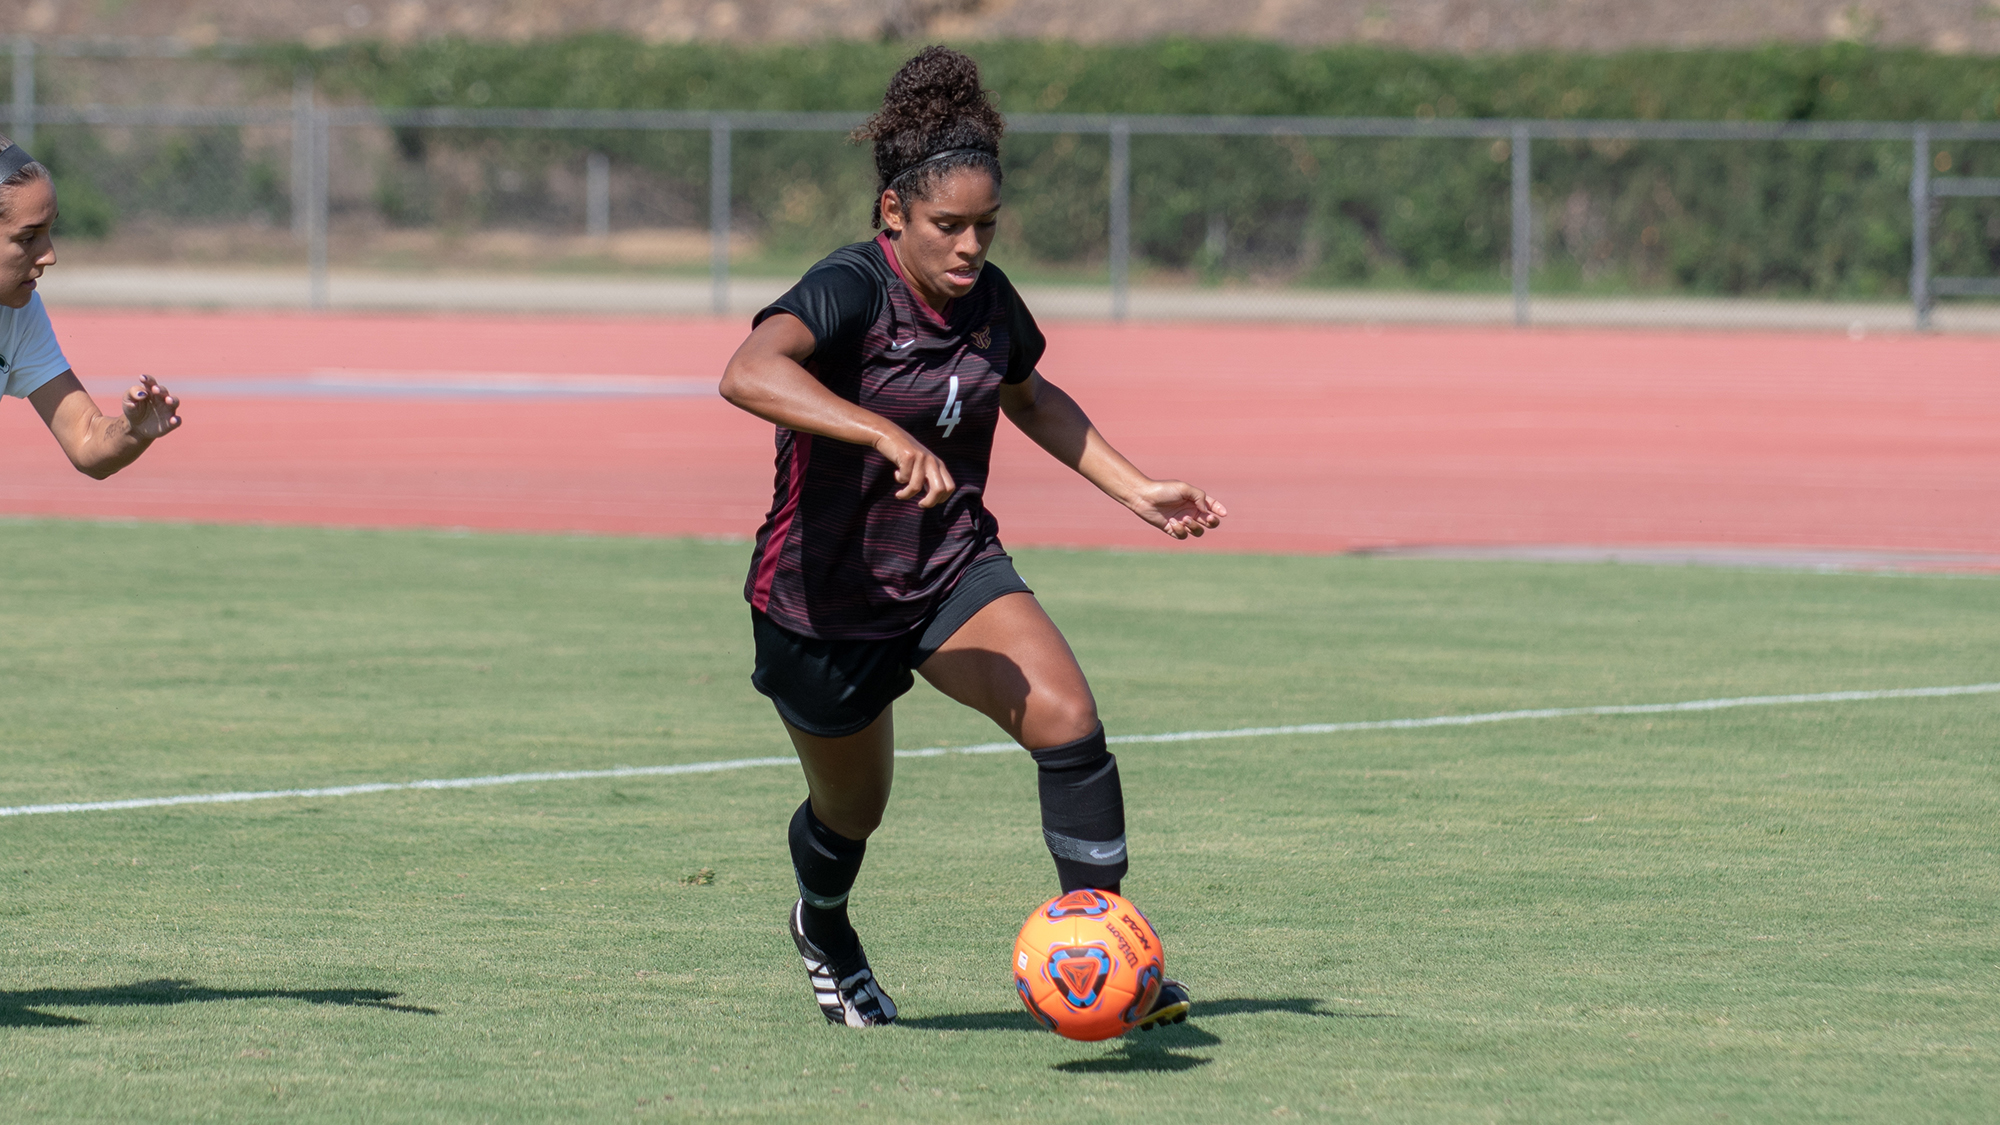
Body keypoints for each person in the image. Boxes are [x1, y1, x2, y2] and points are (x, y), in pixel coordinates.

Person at [719, 47, 1224, 1029]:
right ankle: (823, 925)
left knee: (1067, 722)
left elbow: (1029, 396)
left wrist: (1136, 489)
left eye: (985, 226)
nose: (969, 246)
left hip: (950, 568)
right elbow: (747, 372)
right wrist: (879, 431)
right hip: (823, 602)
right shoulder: (849, 287)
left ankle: (1104, 953)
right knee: (851, 813)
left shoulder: (988, 299)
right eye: (947, 226)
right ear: (893, 213)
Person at [0, 137, 182, 476]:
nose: (49, 256)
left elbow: (85, 438)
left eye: (50, 231)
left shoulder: (18, 315)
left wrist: (133, 430)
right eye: (27, 238)